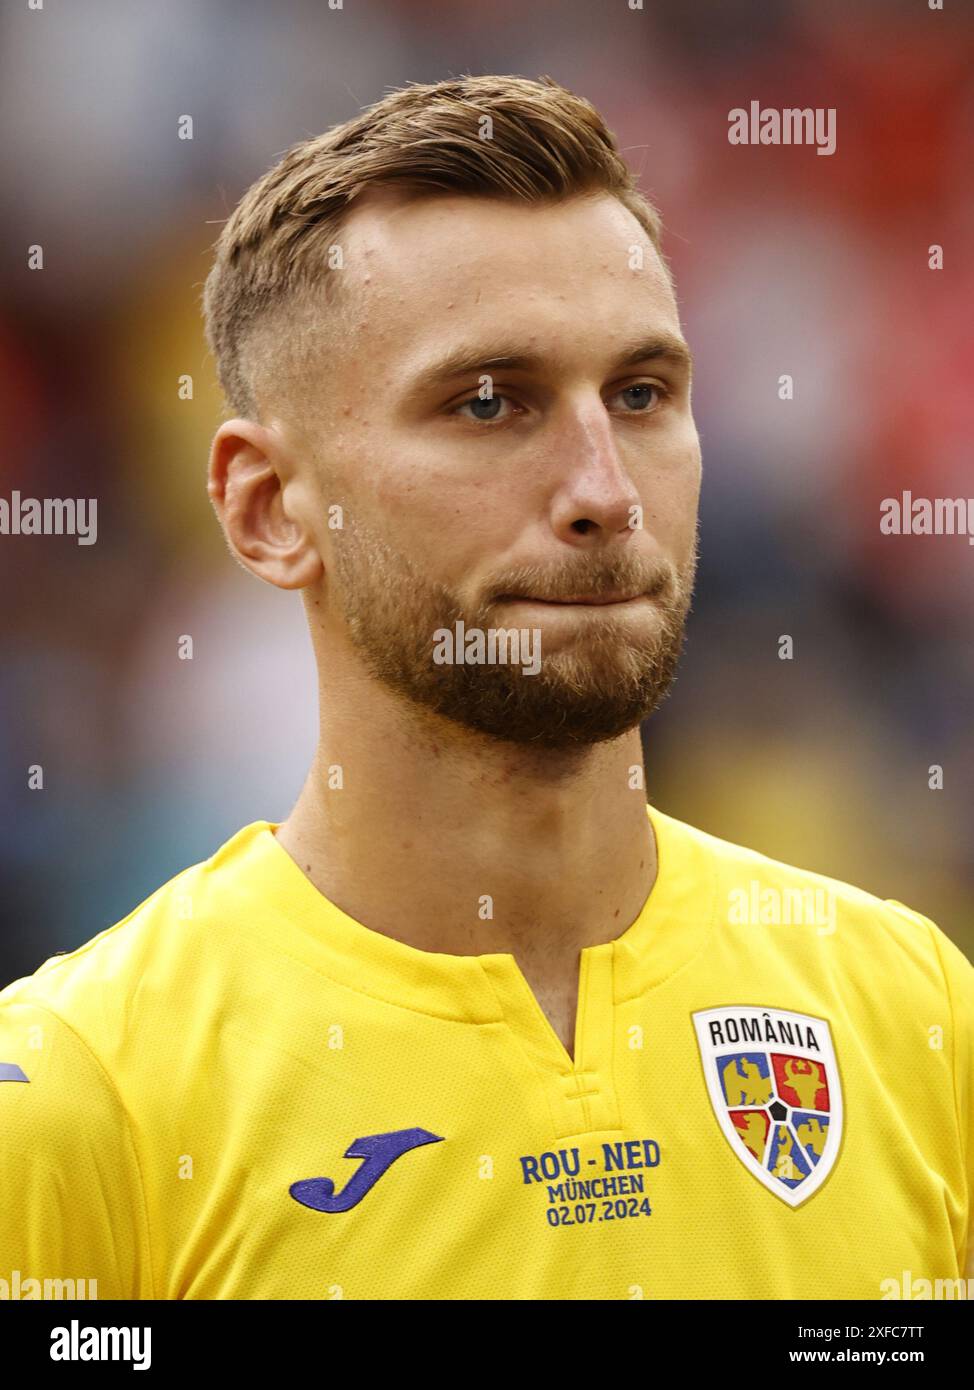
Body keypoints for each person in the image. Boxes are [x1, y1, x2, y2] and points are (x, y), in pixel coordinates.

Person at [1, 75, 970, 1301]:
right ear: (267, 508)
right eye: (486, 403)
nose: (603, 489)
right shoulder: (79, 1101)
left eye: (639, 395)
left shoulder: (912, 1012)